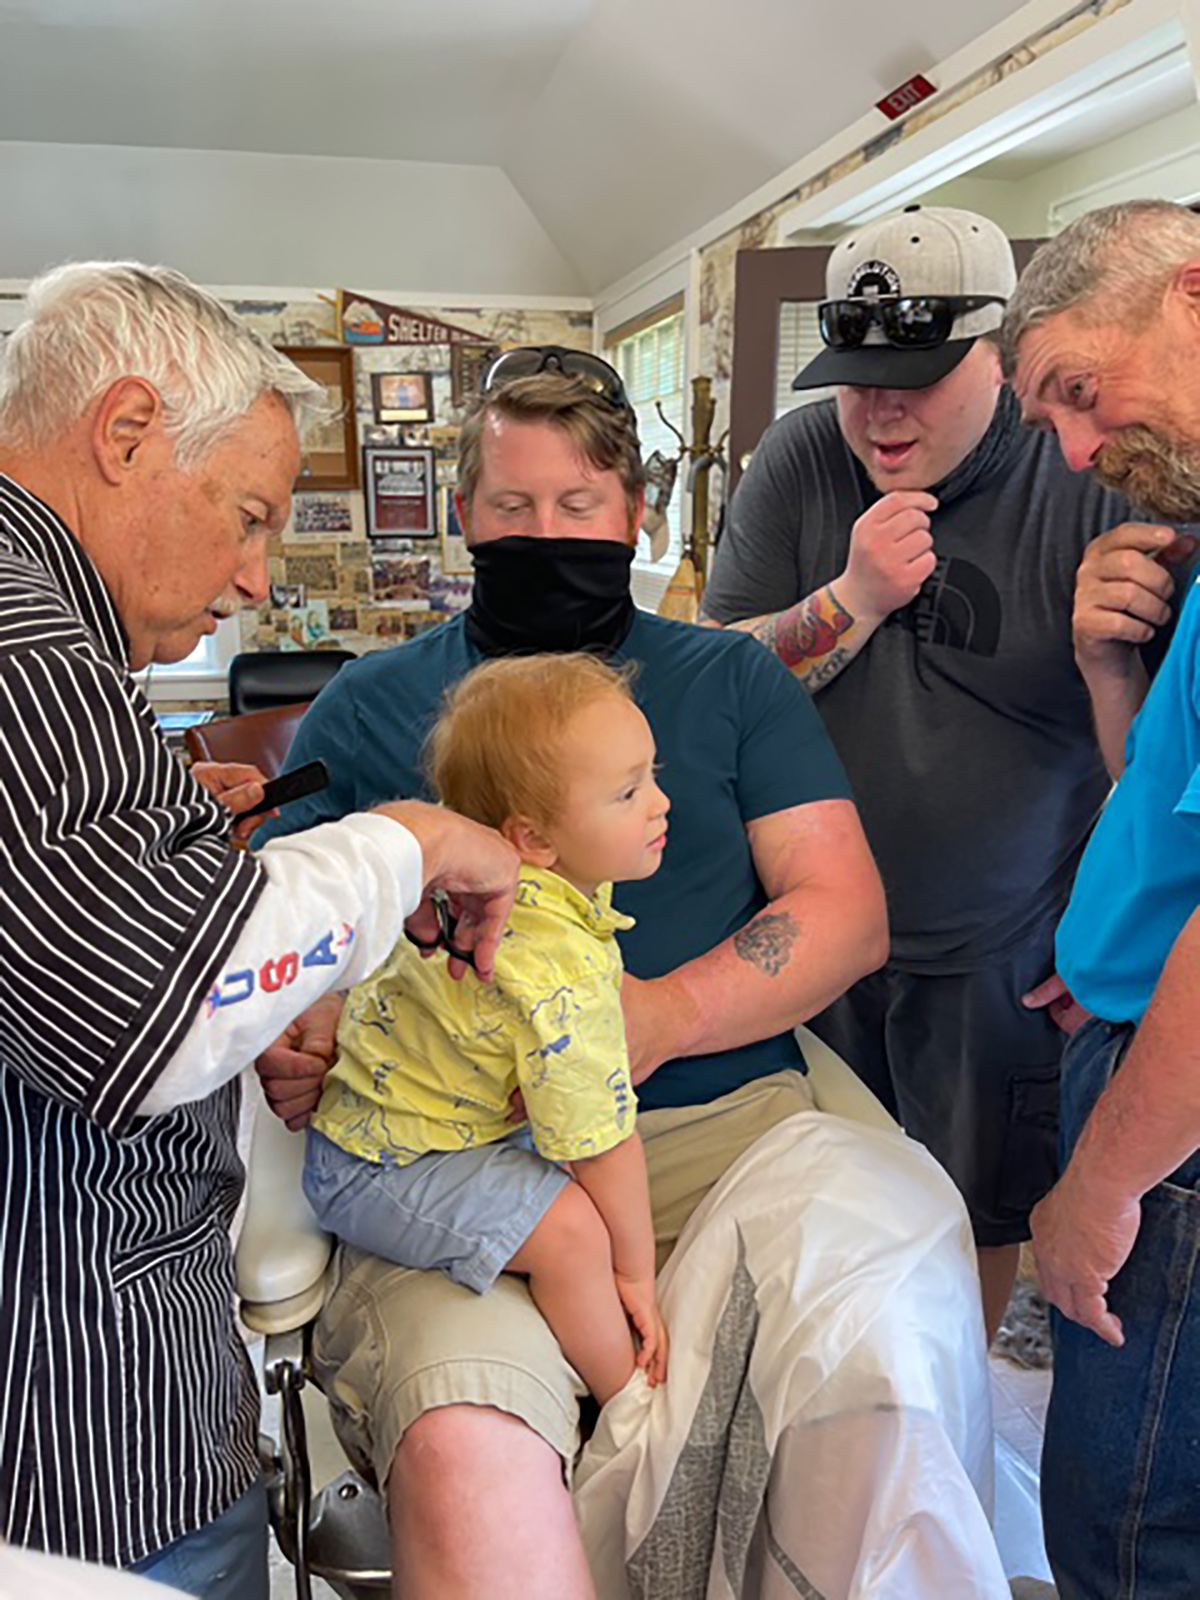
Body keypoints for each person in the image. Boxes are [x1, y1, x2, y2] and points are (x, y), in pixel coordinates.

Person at [256, 353, 1011, 1599]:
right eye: (512, 507)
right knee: (465, 1452)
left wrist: (655, 1016)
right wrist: (308, 1024)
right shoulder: (369, 706)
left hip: (729, 1133)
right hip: (466, 1161)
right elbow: (285, 938)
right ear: (464, 515)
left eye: (578, 507)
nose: (545, 532)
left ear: (635, 517)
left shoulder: (733, 680)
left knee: (870, 1380)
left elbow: (845, 912)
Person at [0, 262, 520, 1599]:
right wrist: (403, 844)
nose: (250, 576)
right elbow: (152, 1017)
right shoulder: (27, 650)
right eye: (246, 517)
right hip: (77, 1448)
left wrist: (162, 827)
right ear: (125, 435)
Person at [702, 204, 1155, 1339]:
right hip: (802, 931)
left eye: (919, 374)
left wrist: (1106, 926)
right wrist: (844, 602)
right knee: (802, 1224)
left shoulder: (1091, 473)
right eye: (857, 376)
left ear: (1001, 354)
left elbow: (1156, 766)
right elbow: (712, 693)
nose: (880, 409)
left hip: (995, 952)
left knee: (966, 1235)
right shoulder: (805, 456)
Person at [1001, 198, 1200, 1600]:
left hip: (1170, 1132)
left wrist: (1101, 1187)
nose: (1079, 450)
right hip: (1134, 1036)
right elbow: (1166, 819)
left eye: (1080, 390)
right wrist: (1111, 681)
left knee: (1127, 1534)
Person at [305, 653, 670, 1402]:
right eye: (630, 792)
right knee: (575, 1233)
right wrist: (634, 1271)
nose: (661, 803)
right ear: (532, 840)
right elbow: (601, 1141)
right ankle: (630, 1412)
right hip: (379, 1164)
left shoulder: (480, 889)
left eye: (652, 775)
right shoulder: (551, 963)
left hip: (421, 1126)